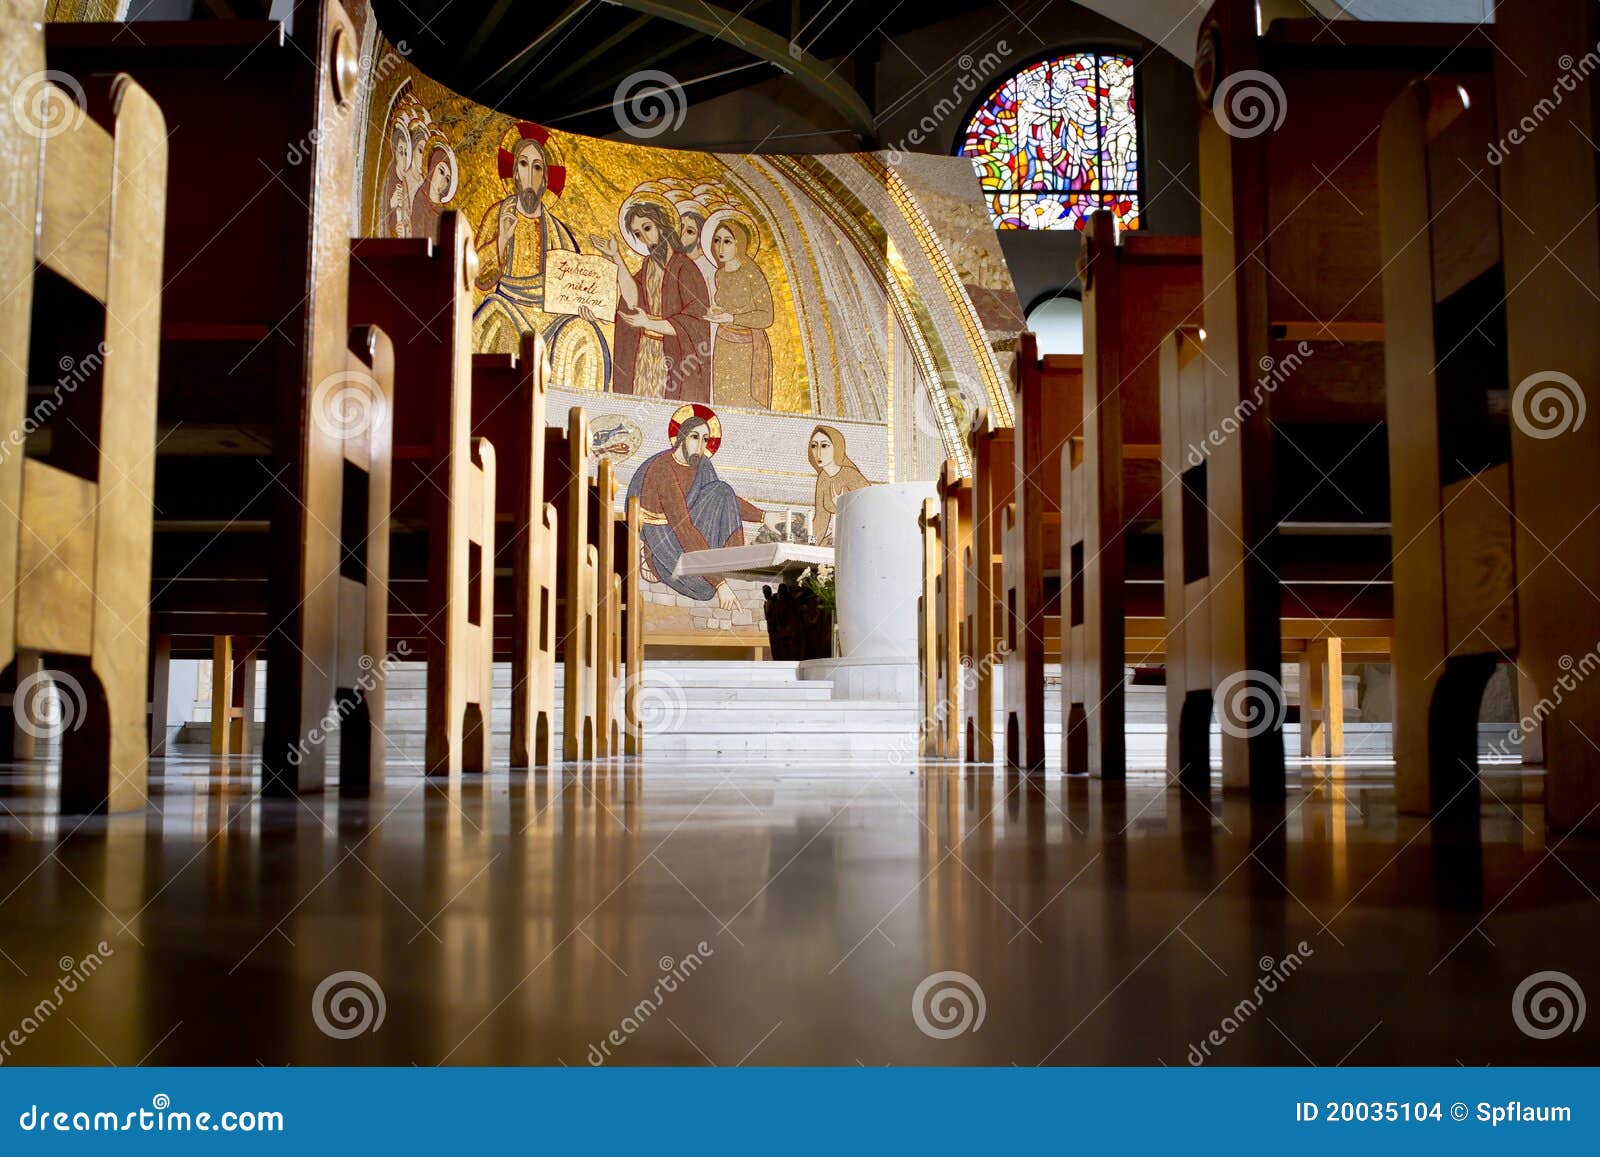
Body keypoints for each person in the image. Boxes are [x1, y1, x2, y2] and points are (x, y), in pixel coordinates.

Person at [627, 406, 778, 611]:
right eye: (694, 437)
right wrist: (719, 584)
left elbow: (726, 499)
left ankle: (731, 562)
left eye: (705, 439)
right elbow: (684, 528)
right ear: (681, 437)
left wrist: (763, 516)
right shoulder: (663, 470)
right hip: (662, 538)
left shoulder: (701, 464)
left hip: (685, 526)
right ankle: (655, 564)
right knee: (705, 591)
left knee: (722, 490)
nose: (700, 445)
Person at [592, 197, 711, 401]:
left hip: (673, 356)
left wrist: (648, 322)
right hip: (645, 354)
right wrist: (616, 257)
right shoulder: (649, 265)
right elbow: (631, 300)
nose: (645, 239)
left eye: (647, 228)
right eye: (638, 234)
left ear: (662, 224)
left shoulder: (684, 267)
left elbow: (694, 322)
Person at [472, 123, 579, 340]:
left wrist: (582, 307)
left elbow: (573, 289)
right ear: (516, 174)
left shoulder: (558, 231)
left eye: (537, 167)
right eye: (523, 164)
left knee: (581, 333)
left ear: (545, 179)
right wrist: (502, 239)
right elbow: (477, 277)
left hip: (550, 319)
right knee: (496, 322)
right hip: (507, 306)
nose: (530, 174)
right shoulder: (499, 215)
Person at [706, 216, 774, 409]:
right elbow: (729, 305)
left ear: (739, 243)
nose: (720, 247)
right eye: (717, 240)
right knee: (723, 399)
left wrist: (734, 318)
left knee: (745, 402)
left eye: (727, 241)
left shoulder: (751, 273)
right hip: (723, 343)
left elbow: (767, 316)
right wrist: (718, 311)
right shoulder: (720, 274)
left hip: (748, 348)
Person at [808, 424, 874, 545]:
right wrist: (810, 546)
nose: (818, 453)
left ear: (837, 447)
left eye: (824, 446)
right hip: (838, 537)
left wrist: (844, 507)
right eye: (814, 446)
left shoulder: (850, 475)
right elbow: (820, 521)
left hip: (859, 538)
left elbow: (872, 511)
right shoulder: (823, 478)